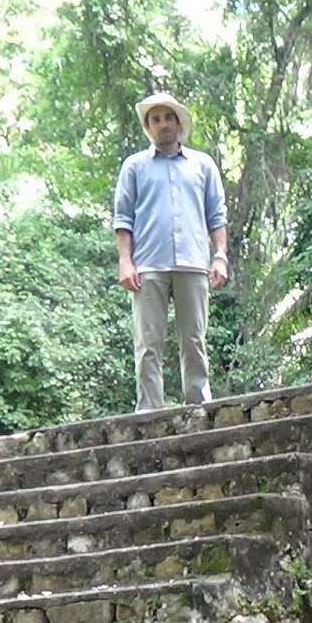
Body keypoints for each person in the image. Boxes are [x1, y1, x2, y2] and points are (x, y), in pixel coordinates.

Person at [112, 92, 229, 412]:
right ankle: (149, 411)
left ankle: (198, 406)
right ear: (149, 126)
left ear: (178, 123)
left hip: (193, 263)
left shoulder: (203, 165)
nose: (163, 124)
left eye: (168, 118)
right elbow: (123, 219)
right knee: (148, 342)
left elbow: (216, 216)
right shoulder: (134, 167)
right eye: (156, 119)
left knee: (194, 339)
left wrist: (220, 256)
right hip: (148, 265)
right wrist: (125, 262)